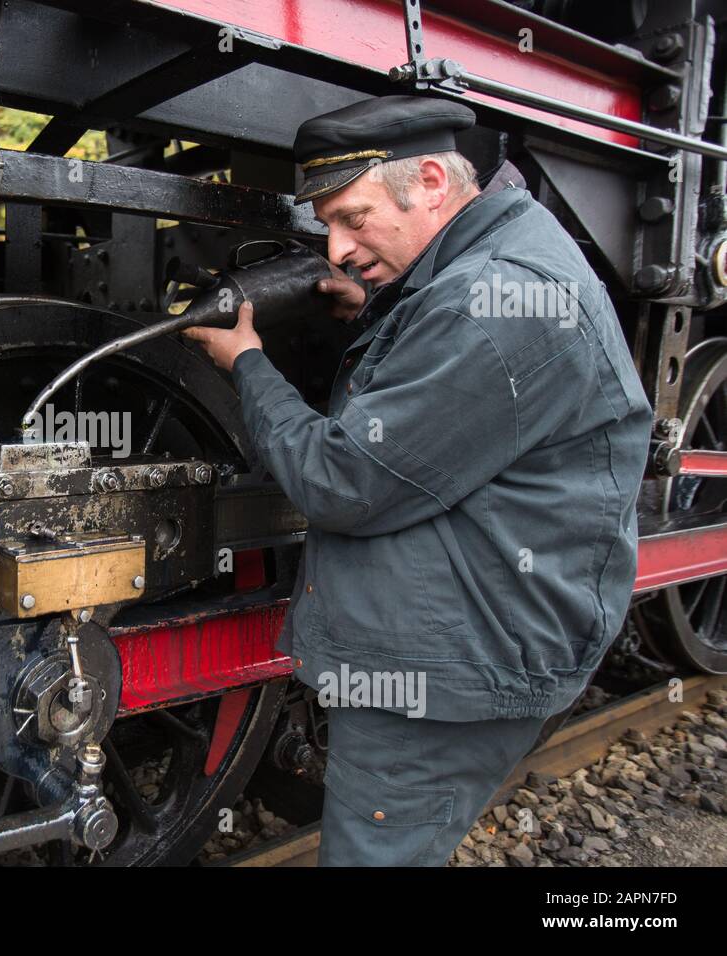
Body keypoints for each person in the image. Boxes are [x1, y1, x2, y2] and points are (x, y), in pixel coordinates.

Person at [184, 95, 654, 866]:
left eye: (352, 217)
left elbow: (343, 481)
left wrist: (249, 366)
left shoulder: (492, 307)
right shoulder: (499, 260)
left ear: (431, 180)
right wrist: (378, 306)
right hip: (468, 629)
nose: (335, 248)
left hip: (452, 666)